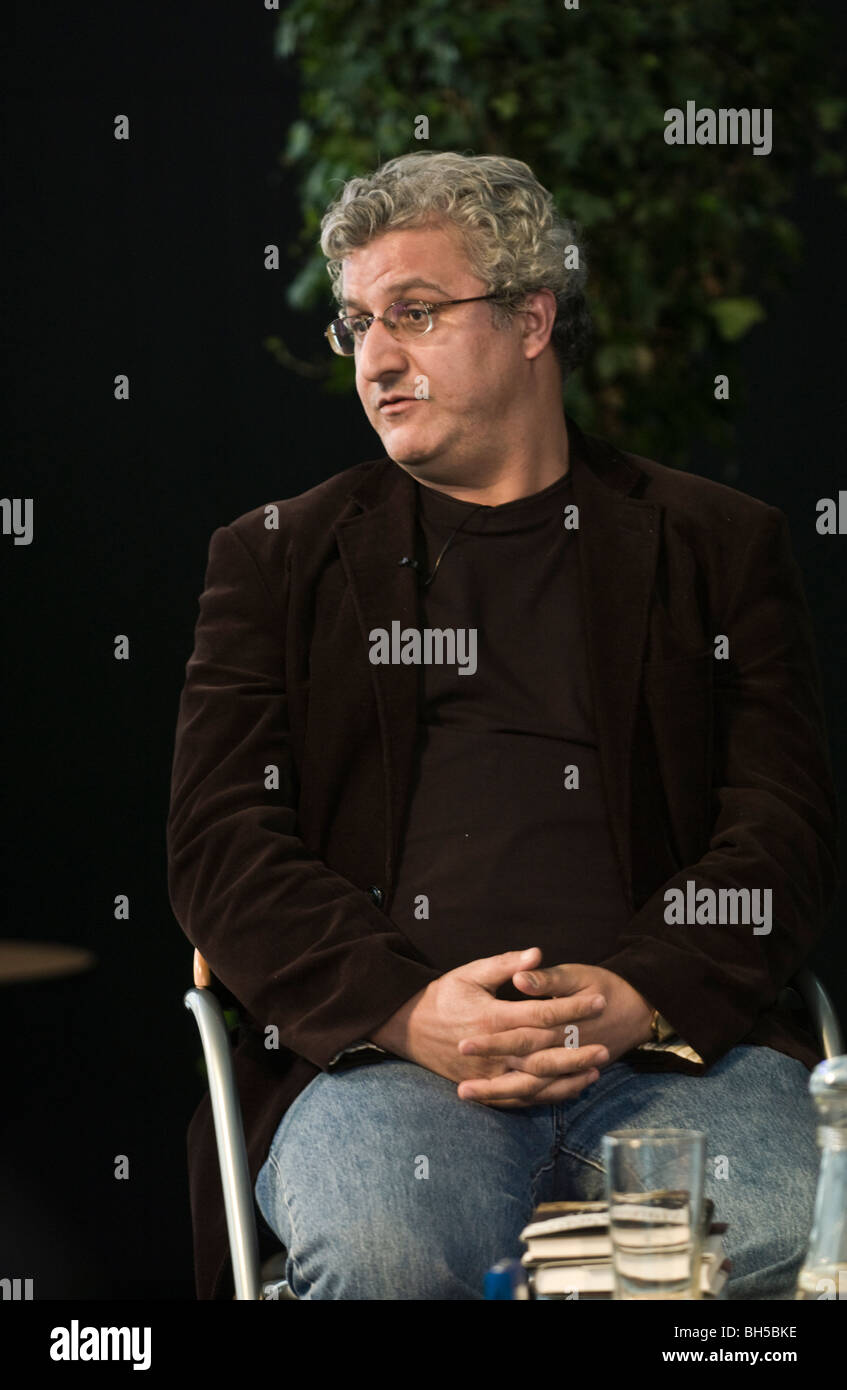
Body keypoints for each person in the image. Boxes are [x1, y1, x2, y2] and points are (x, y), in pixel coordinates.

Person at [166, 151, 839, 1301]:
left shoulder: (712, 544)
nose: (377, 358)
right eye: (359, 325)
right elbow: (221, 846)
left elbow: (783, 829)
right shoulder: (276, 558)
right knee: (389, 1249)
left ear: (532, 318)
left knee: (785, 1224)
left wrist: (635, 994)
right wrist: (409, 1009)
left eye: (415, 314)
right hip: (390, 1065)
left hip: (680, 1055)